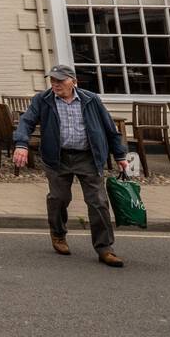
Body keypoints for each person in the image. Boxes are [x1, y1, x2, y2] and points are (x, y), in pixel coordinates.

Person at [14, 64, 128, 267]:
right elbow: (26, 121)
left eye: (60, 80)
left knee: (98, 202)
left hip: (88, 156)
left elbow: (110, 128)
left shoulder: (91, 99)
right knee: (59, 198)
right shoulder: (43, 99)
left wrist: (120, 155)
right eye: (53, 80)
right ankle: (58, 234)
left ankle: (105, 248)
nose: (55, 84)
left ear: (73, 81)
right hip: (58, 157)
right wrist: (21, 144)